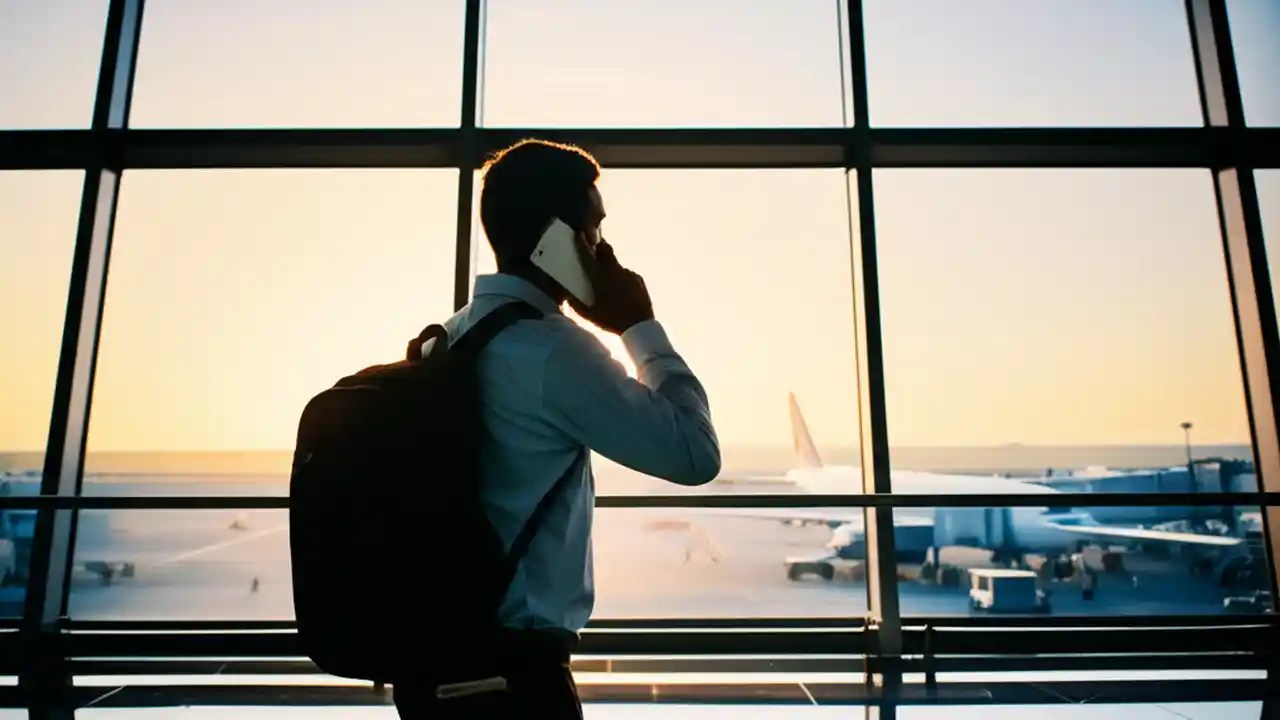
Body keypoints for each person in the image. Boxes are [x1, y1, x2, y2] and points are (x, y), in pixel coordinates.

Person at [390, 138, 721, 719]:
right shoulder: (553, 351)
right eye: (593, 230)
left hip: (435, 665)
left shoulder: (451, 337)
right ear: (557, 239)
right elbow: (694, 455)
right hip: (517, 676)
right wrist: (639, 325)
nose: (604, 250)